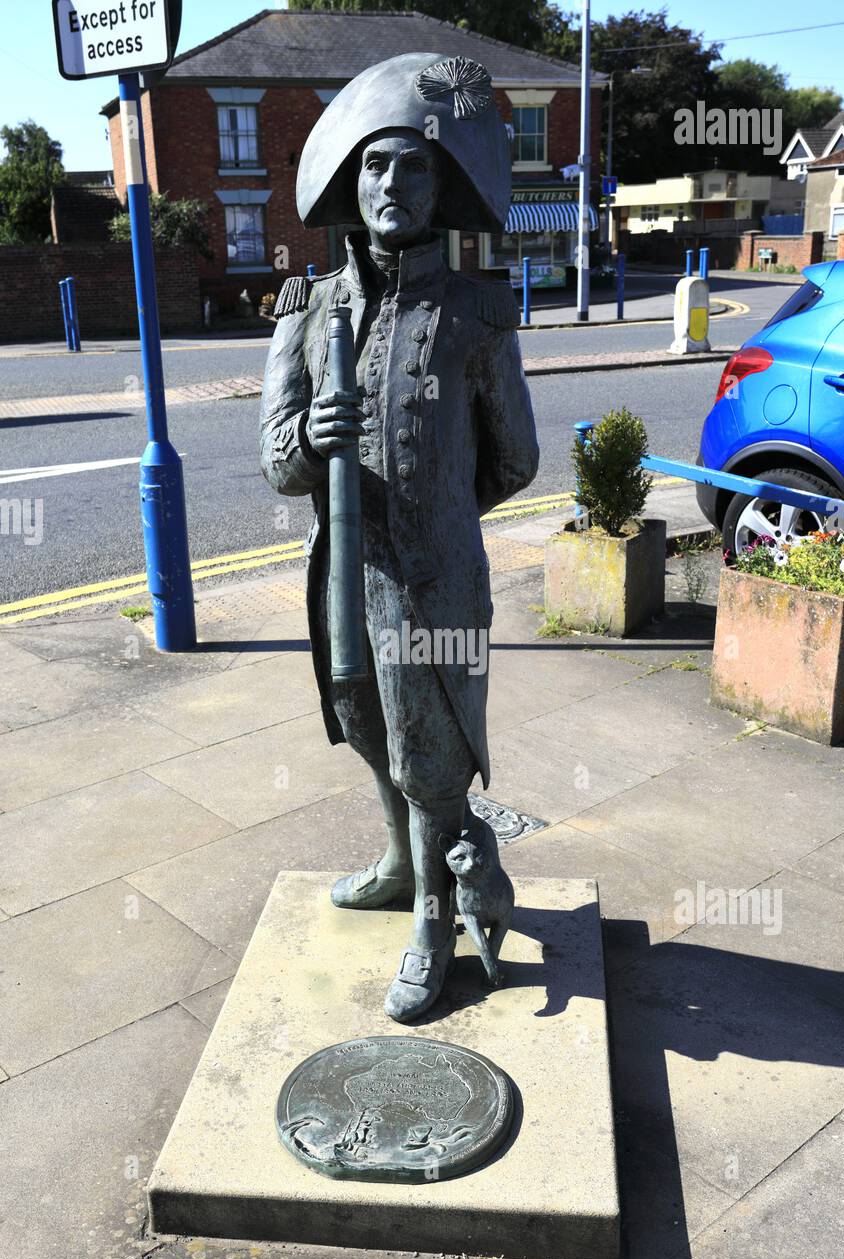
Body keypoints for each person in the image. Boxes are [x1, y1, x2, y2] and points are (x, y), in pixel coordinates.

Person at [260, 52, 539, 1021]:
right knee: (365, 729)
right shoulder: (309, 310)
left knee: (431, 758)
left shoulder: (473, 312)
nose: (390, 184)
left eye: (411, 166)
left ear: (440, 184)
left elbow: (516, 459)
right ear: (351, 181)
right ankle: (400, 861)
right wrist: (308, 439)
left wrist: (437, 516)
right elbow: (274, 458)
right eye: (374, 167)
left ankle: (432, 921)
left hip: (436, 585)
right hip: (344, 575)